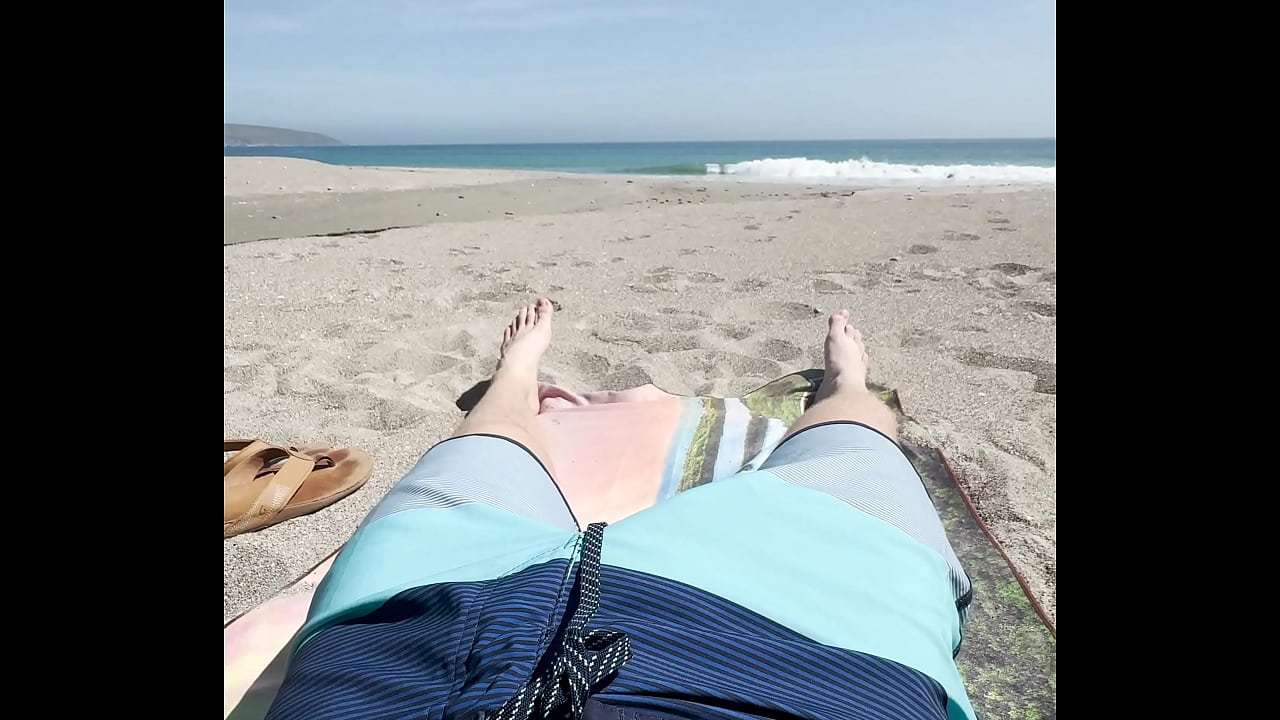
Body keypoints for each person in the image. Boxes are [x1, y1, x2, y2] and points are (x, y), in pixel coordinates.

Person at [265, 299, 976, 720]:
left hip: (407, 638)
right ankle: (846, 386)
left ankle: (515, 380)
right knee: (855, 445)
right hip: (811, 651)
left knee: (485, 447)